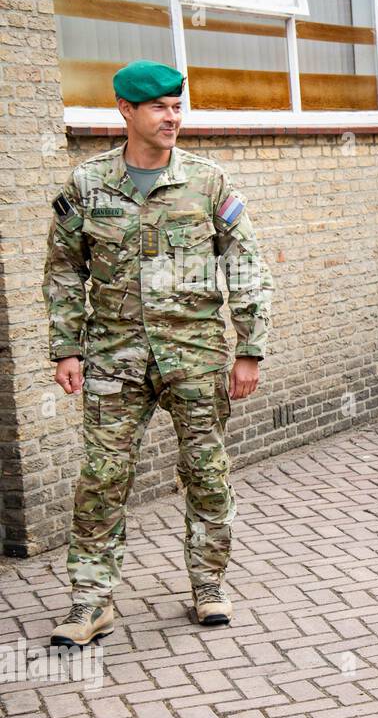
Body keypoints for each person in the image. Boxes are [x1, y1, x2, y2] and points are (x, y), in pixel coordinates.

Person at [42, 60, 272, 646]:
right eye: (159, 107)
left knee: (207, 474)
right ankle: (89, 603)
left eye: (177, 106)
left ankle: (209, 588)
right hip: (112, 358)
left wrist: (249, 351)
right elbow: (65, 271)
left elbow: (245, 267)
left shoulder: (208, 182)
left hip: (194, 356)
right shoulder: (86, 186)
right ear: (126, 111)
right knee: (101, 478)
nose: (172, 117)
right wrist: (66, 347)